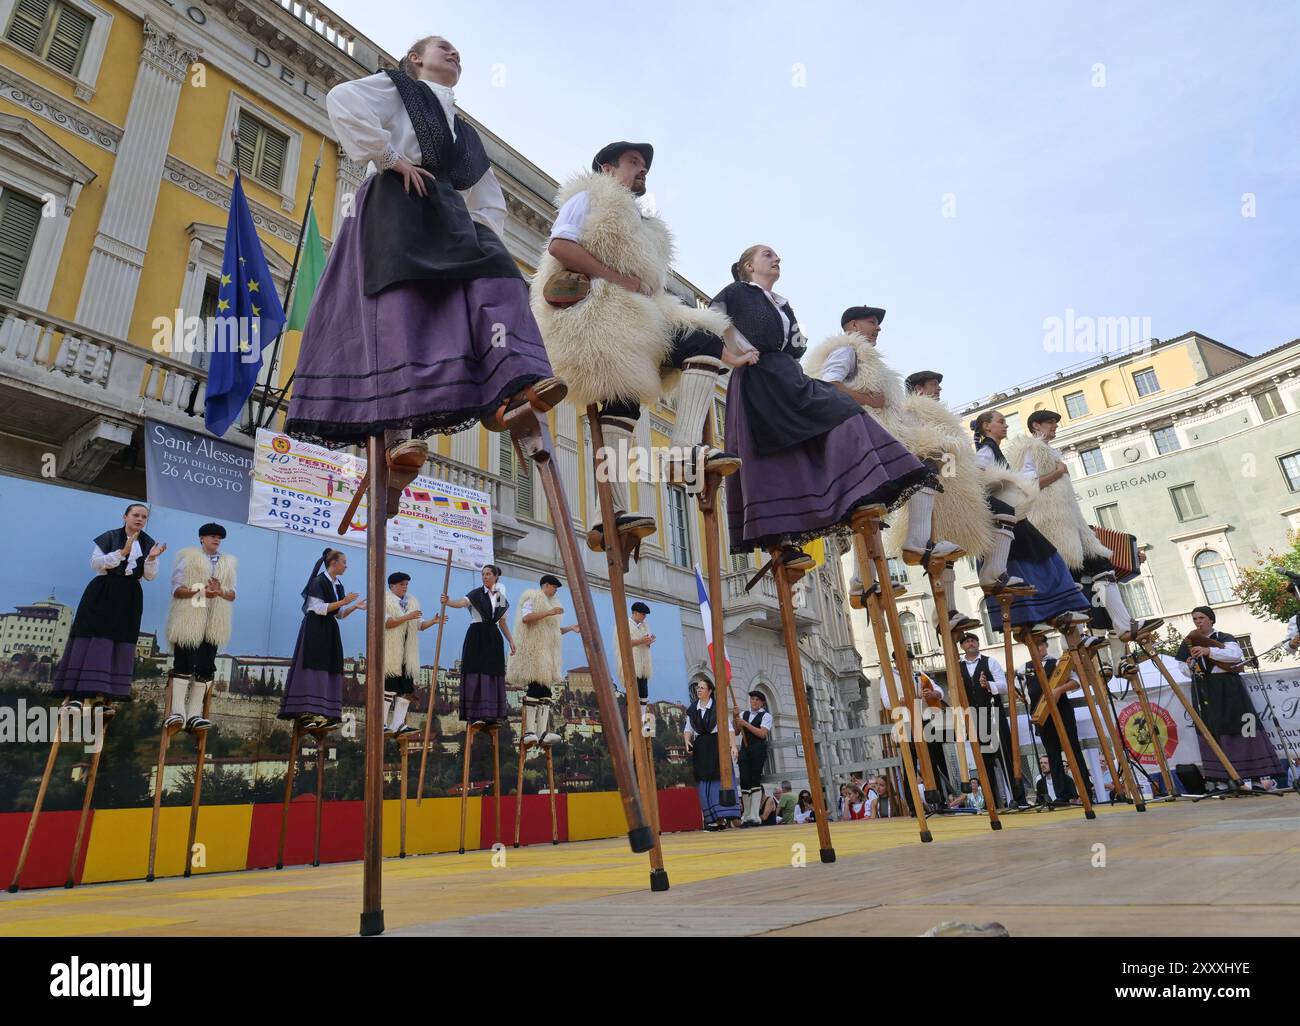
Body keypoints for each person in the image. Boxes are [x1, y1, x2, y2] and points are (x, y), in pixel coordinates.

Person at [285, 35, 565, 512]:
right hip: (397, 206)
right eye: (443, 47)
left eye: (459, 50)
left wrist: (478, 230)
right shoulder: (396, 87)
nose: (455, 53)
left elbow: (488, 197)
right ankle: (398, 439)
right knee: (399, 310)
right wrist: (391, 159)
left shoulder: (464, 132)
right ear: (416, 59)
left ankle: (515, 382)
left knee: (500, 277)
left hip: (448, 219)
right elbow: (342, 99)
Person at [531, 141, 740, 546]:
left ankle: (605, 513)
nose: (641, 170)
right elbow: (560, 245)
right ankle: (677, 455)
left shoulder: (648, 228)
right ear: (607, 169)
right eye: (632, 162)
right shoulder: (591, 196)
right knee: (693, 346)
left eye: (644, 165)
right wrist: (614, 276)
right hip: (598, 316)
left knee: (637, 394)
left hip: (636, 319)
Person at [712, 246, 929, 569]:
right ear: (748, 265)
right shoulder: (737, 292)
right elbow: (706, 326)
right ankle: (781, 542)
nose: (776, 259)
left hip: (789, 377)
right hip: (759, 381)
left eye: (777, 256)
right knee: (772, 456)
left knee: (842, 411)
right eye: (768, 255)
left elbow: (794, 348)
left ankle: (859, 491)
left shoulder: (782, 304)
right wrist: (734, 358)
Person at [805, 314, 985, 633]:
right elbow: (826, 385)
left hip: (875, 437)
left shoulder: (864, 357)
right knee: (918, 477)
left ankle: (863, 579)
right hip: (863, 440)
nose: (878, 328)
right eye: (872, 322)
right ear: (852, 326)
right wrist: (870, 399)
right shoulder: (848, 350)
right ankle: (913, 544)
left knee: (875, 508)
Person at [1007, 410, 1162, 656]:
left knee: (1102, 566)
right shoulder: (1029, 449)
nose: (1055, 427)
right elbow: (1028, 486)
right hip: (1051, 525)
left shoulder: (1050, 452)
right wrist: (1059, 473)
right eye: (1050, 423)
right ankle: (1082, 639)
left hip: (1071, 524)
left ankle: (1123, 624)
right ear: (1036, 425)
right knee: (1072, 579)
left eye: (1056, 423)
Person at [970, 411, 1095, 636]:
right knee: (1036, 561)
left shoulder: (992, 450)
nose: (1006, 426)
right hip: (1003, 518)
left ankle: (1049, 610)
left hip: (1011, 516)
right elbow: (975, 480)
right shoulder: (986, 451)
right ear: (987, 427)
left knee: (1040, 558)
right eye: (1001, 422)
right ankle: (1041, 613)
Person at [53, 503, 167, 712]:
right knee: (93, 637)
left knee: (119, 640)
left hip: (130, 595)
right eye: (135, 515)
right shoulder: (110, 536)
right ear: (125, 516)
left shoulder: (148, 542)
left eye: (144, 516)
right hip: (103, 591)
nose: (140, 519)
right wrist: (122, 552)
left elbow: (150, 576)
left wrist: (151, 558)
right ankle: (78, 695)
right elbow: (95, 563)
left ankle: (102, 698)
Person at [1176, 606, 1282, 789]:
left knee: (1244, 727)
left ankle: (1258, 777)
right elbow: (1182, 668)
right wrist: (1190, 665)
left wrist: (1209, 651)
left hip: (1229, 688)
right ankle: (1223, 779)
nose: (1198, 621)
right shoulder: (1188, 642)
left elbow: (1235, 655)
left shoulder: (1224, 637)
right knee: (1212, 730)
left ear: (1211, 619)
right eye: (1195, 619)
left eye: (1201, 617)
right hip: (1204, 688)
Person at [164, 522, 237, 733]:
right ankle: (177, 712)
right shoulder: (189, 559)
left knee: (206, 667)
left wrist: (219, 591)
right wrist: (202, 592)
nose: (216, 540)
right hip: (190, 617)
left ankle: (195, 714)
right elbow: (177, 589)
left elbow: (232, 594)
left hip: (214, 620)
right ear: (201, 538)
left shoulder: (227, 564)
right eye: (212, 536)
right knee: (184, 663)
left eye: (219, 537)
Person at [281, 548, 364, 729]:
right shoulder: (318, 581)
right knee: (313, 664)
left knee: (330, 666)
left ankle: (324, 713)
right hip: (315, 628)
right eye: (344, 562)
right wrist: (344, 602)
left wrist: (354, 606)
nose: (346, 566)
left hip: (330, 629)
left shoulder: (338, 585)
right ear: (333, 563)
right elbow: (317, 607)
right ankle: (306, 713)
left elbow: (339, 614)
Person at [956, 633, 1029, 810]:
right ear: (962, 646)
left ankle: (1019, 799)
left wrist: (989, 685)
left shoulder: (990, 662)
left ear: (978, 643)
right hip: (975, 718)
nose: (971, 643)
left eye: (973, 640)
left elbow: (1004, 685)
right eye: (967, 641)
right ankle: (992, 802)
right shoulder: (957, 667)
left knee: (1006, 756)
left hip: (994, 714)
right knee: (984, 761)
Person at [506, 573, 580, 747]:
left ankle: (542, 732)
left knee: (545, 692)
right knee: (534, 689)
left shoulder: (551, 605)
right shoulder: (532, 598)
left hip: (547, 656)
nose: (555, 591)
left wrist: (570, 628)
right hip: (535, 653)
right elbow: (527, 618)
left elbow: (552, 631)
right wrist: (549, 612)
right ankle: (530, 731)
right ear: (546, 585)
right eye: (553, 587)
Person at [443, 564, 515, 726]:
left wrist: (511, 641)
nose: (485, 577)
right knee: (476, 671)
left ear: (496, 577)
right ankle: (476, 714)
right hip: (476, 636)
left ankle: (491, 715)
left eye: (488, 574)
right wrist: (448, 602)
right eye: (483, 574)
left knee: (492, 672)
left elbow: (502, 622)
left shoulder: (500, 598)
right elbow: (461, 603)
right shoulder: (475, 594)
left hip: (493, 637)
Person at [1024, 637, 1092, 804]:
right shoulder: (1024, 667)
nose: (1038, 648)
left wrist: (1059, 690)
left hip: (1062, 711)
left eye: (1040, 644)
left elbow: (1077, 681)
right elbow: (1022, 691)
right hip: (1042, 715)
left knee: (1073, 750)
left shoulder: (1059, 663)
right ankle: (1062, 795)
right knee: (1052, 755)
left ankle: (1085, 791)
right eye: (1034, 645)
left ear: (1046, 646)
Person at [383, 572, 444, 738]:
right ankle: (382, 722)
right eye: (402, 584)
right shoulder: (385, 601)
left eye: (406, 584)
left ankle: (398, 724)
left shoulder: (412, 602)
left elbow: (419, 625)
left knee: (405, 689)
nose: (405, 587)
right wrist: (407, 616)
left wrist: (433, 621)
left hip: (407, 651)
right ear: (392, 586)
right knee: (389, 686)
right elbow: (388, 623)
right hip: (392, 650)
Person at [684, 678, 740, 829]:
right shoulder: (692, 709)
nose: (699, 690)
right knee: (703, 782)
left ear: (710, 691)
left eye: (702, 688)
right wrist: (687, 740)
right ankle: (711, 819)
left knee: (718, 779)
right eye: (698, 688)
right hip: (701, 747)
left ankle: (723, 816)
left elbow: (729, 728)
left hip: (717, 746)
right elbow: (688, 729)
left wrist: (733, 746)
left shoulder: (717, 708)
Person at [735, 691, 773, 826]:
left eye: (757, 699)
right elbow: (736, 732)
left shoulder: (766, 716)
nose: (754, 701)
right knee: (745, 781)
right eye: (752, 699)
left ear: (762, 702)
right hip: (745, 750)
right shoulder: (743, 714)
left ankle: (755, 815)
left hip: (758, 750)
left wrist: (745, 724)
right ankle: (746, 815)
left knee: (754, 780)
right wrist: (736, 719)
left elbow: (762, 734)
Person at [628, 601, 656, 734]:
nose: (644, 617)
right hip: (632, 662)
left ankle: (643, 719)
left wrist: (648, 641)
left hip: (643, 662)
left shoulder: (645, 626)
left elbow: (645, 644)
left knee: (644, 692)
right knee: (634, 691)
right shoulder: (625, 625)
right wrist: (642, 641)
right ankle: (633, 719)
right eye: (643, 614)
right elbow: (625, 642)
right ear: (635, 613)